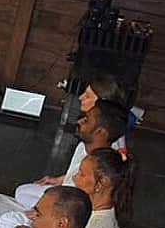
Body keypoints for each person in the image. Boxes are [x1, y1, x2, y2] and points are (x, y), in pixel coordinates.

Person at [0, 100, 130, 228]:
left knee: (8, 224)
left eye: (80, 174)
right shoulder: (93, 201)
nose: (74, 177)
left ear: (100, 185)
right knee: (11, 218)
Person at [8, 74, 129, 210]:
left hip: (76, 200)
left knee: (24, 196)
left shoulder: (107, 146)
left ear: (102, 102)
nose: (81, 97)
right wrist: (61, 180)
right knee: (23, 191)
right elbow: (79, 169)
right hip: (70, 188)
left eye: (88, 96)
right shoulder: (92, 136)